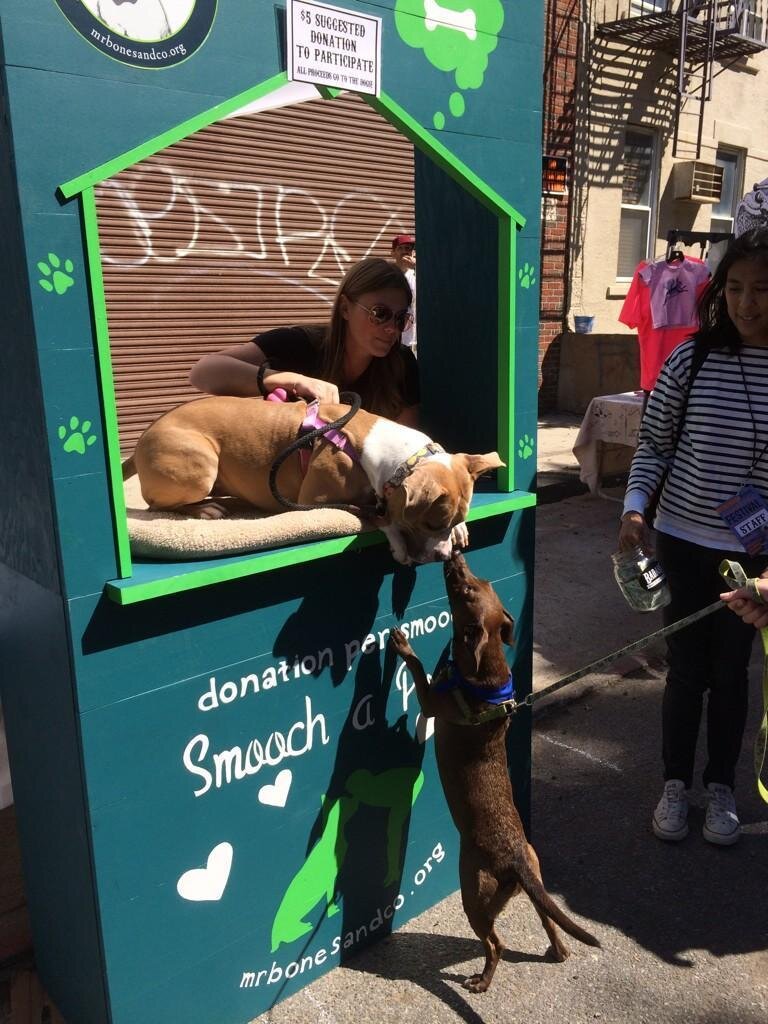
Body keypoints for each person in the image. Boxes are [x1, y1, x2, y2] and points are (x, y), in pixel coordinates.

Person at [618, 228, 768, 847]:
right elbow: (654, 445)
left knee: (732, 673)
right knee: (685, 671)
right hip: (681, 540)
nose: (745, 303)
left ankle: (721, 787)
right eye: (734, 288)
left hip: (751, 556)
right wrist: (635, 510)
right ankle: (675, 782)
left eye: (762, 290)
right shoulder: (691, 359)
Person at [189, 257, 419, 427]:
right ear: (345, 308)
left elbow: (406, 446)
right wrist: (291, 380)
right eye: (380, 313)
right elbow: (202, 372)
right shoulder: (301, 344)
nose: (392, 328)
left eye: (401, 318)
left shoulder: (402, 364)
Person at [390, 234, 417, 354]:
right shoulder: (389, 275)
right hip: (394, 335)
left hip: (414, 336)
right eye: (400, 248)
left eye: (408, 248)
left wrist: (416, 267)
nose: (404, 251)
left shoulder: (417, 274)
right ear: (393, 253)